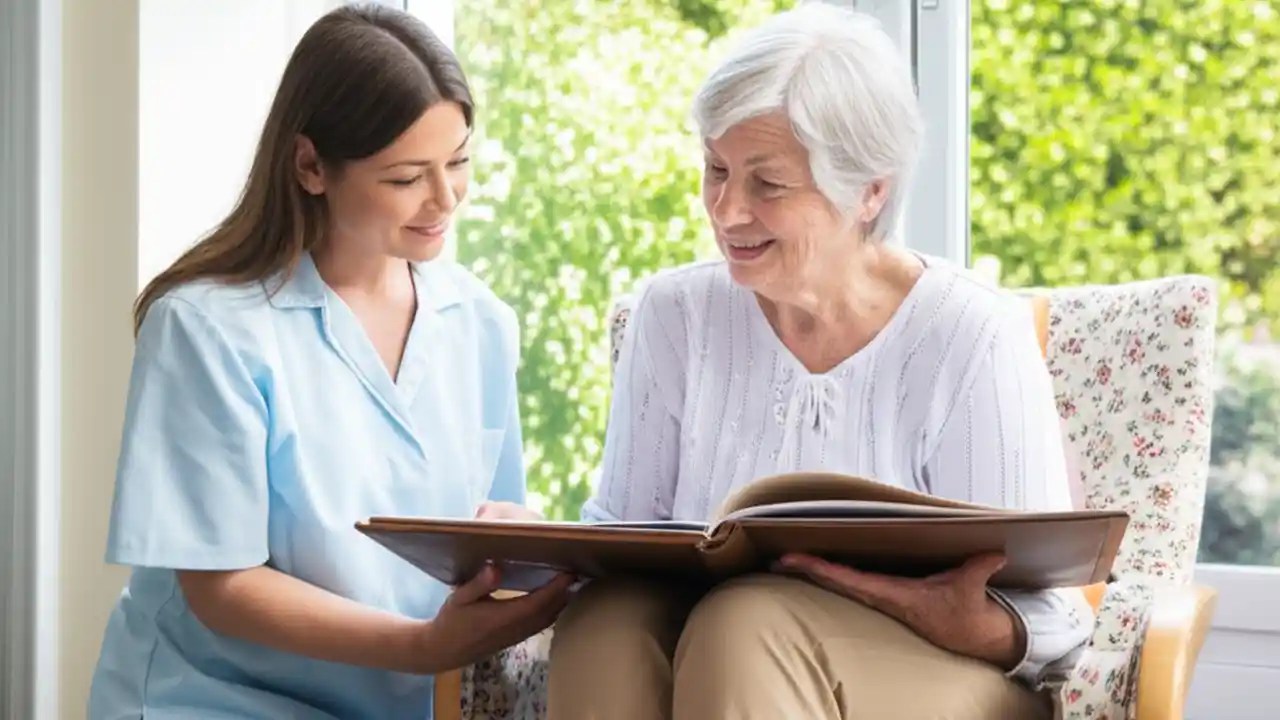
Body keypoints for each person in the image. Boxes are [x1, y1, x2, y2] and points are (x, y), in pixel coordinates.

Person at [548, 4, 1091, 719]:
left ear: (870, 190)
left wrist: (976, 623)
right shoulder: (674, 315)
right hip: (723, 640)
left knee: (745, 624)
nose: (727, 209)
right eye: (716, 170)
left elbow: (1058, 615)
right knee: (605, 624)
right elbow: (620, 545)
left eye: (766, 185)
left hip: (942, 672)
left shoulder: (971, 333)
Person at [87, 5, 566, 719]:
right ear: (311, 166)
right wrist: (422, 646)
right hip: (213, 700)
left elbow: (482, 535)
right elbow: (221, 585)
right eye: (407, 177)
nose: (446, 199)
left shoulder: (480, 324)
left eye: (459, 161)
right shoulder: (207, 329)